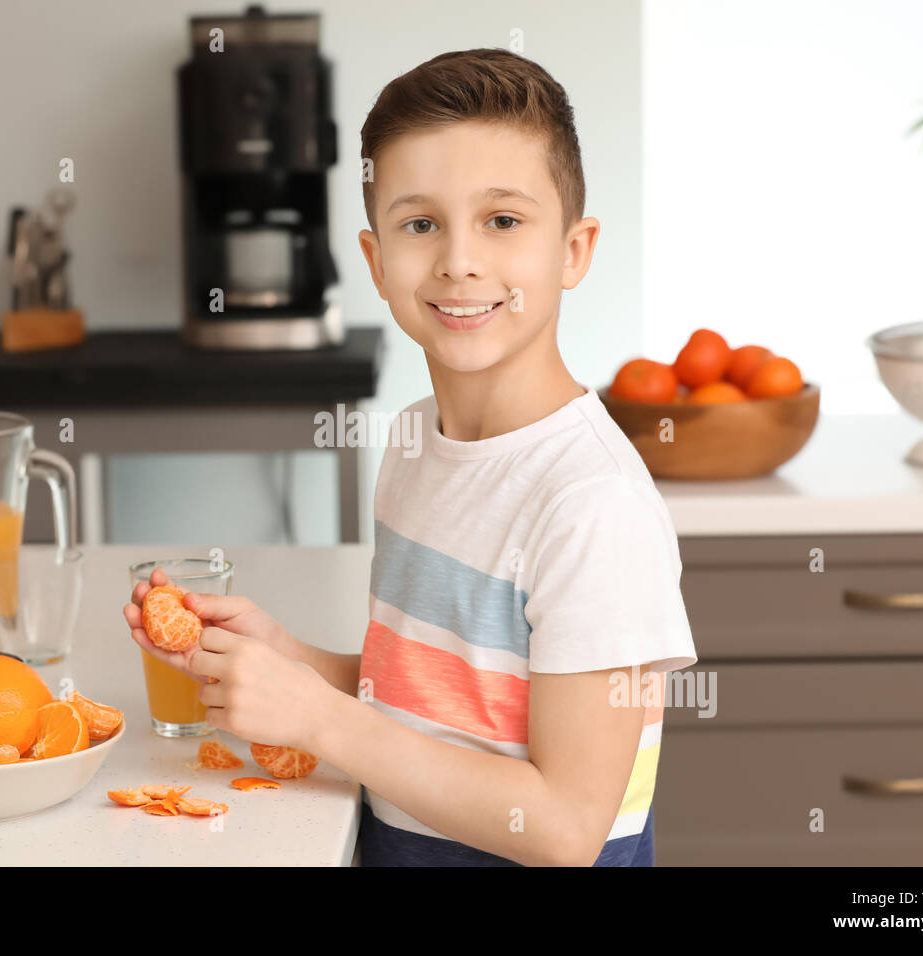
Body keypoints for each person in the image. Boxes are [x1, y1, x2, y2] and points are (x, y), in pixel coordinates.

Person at [125, 48, 697, 866]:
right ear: (375, 262)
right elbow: (446, 701)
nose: (459, 260)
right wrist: (293, 665)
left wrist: (322, 721)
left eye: (503, 220)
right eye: (420, 223)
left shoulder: (592, 506)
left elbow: (568, 826)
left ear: (574, 250)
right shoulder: (413, 444)